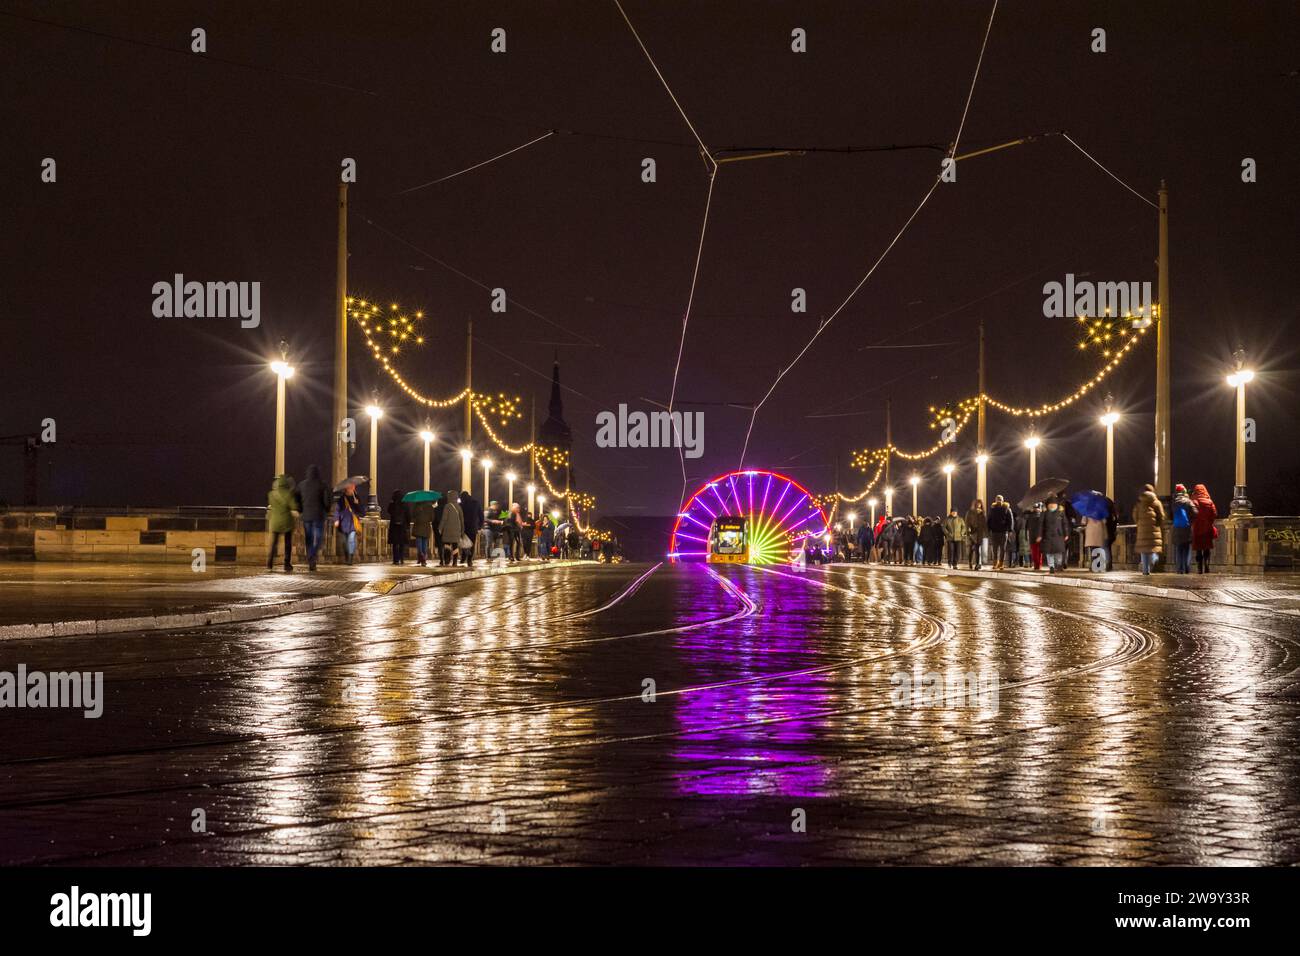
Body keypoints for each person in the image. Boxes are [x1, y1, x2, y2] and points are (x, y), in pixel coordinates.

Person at [297, 464, 330, 572]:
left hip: (306, 516)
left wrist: (301, 510)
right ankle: (313, 555)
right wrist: (327, 509)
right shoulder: (322, 485)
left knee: (309, 538)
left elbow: (297, 499)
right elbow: (327, 501)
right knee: (319, 538)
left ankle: (310, 557)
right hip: (318, 515)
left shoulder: (302, 485)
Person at [1131, 483, 1166, 575]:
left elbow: (1135, 516)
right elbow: (1161, 516)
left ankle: (1145, 570)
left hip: (1142, 530)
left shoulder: (1139, 503)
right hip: (1154, 529)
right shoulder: (1156, 502)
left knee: (1144, 550)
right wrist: (1158, 523)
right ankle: (1153, 560)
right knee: (1153, 549)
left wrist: (1139, 523)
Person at [266, 473, 299, 572]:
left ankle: (269, 563)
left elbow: (271, 505)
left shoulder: (271, 494)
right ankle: (287, 564)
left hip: (275, 522)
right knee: (287, 544)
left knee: (273, 543)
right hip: (287, 523)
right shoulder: (289, 494)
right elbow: (294, 507)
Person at [1191, 483, 1218, 573]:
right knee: (1207, 547)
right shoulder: (1209, 501)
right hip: (1207, 528)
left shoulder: (1194, 501)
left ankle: (1199, 567)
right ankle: (1206, 564)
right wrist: (1209, 521)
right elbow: (1214, 514)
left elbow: (1191, 514)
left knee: (1198, 548)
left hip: (1197, 528)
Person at [334, 482, 363, 565]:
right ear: (347, 488)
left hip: (353, 522)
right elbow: (337, 510)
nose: (353, 488)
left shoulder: (356, 497)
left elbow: (361, 511)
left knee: (351, 540)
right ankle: (347, 555)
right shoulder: (342, 498)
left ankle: (350, 558)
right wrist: (336, 519)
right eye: (351, 487)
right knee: (344, 542)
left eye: (353, 487)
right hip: (343, 523)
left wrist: (357, 504)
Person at [1170, 484, 1196, 574]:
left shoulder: (1174, 502)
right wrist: (1190, 519)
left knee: (1179, 549)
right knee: (1187, 549)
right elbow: (1195, 512)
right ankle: (1186, 568)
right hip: (1186, 528)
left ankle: (1179, 569)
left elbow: (1170, 515)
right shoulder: (1188, 501)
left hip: (1177, 528)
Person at [1041, 499, 1070, 573]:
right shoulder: (1045, 513)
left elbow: (1064, 524)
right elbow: (1041, 525)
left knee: (1058, 552)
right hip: (1048, 535)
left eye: (1054, 504)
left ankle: (1058, 564)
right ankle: (1051, 566)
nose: (1052, 505)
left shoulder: (1061, 513)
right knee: (1049, 552)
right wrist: (1040, 535)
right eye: (1050, 504)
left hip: (1058, 535)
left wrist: (1066, 533)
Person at [987, 495, 1013, 570]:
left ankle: (1001, 563)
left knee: (1002, 549)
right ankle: (995, 563)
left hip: (1003, 532)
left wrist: (1010, 530)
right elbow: (989, 519)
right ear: (995, 500)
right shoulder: (992, 509)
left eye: (1000, 499)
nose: (999, 501)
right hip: (994, 532)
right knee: (994, 549)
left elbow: (1010, 520)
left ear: (1003, 500)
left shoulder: (1007, 508)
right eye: (998, 500)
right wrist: (989, 529)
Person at [439, 490, 465, 566]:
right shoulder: (459, 507)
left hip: (447, 530)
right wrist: (462, 530)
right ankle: (455, 562)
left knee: (447, 545)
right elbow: (462, 520)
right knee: (455, 546)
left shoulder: (447, 506)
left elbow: (444, 518)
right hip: (457, 530)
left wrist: (440, 528)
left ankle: (447, 560)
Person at [459, 491, 483, 567]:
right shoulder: (476, 503)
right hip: (473, 527)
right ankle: (469, 560)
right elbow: (481, 515)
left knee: (463, 542)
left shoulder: (461, 504)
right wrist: (479, 526)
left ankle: (463, 558)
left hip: (464, 527)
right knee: (472, 544)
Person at [410, 495, 435, 567]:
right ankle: (423, 558)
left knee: (419, 541)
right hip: (426, 526)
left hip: (418, 525)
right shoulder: (430, 507)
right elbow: (432, 518)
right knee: (425, 542)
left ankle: (420, 555)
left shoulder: (417, 506)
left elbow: (413, 515)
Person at [386, 490, 410, 565]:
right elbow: (408, 515)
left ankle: (395, 559)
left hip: (394, 526)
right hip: (402, 526)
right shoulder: (405, 504)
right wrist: (408, 524)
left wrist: (391, 502)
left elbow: (388, 511)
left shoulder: (392, 504)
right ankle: (401, 558)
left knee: (395, 543)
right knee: (401, 543)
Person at [964, 499, 987, 570]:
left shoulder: (982, 513)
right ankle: (970, 562)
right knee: (971, 550)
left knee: (978, 550)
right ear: (974, 504)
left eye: (980, 504)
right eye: (977, 504)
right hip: (972, 533)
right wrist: (968, 531)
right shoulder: (970, 512)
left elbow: (984, 524)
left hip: (979, 534)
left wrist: (986, 533)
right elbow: (967, 522)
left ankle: (977, 564)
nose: (978, 505)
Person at [1025, 502, 1045, 571]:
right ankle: (1038, 565)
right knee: (1038, 552)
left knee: (1035, 552)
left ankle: (1037, 565)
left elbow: (1026, 527)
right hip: (1038, 536)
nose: (1037, 509)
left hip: (1034, 536)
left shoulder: (1030, 516)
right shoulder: (1041, 516)